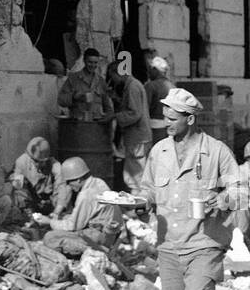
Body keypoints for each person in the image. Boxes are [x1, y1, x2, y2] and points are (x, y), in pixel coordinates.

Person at [137, 87, 245, 290]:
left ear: (190, 118)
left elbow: (239, 189)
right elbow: (147, 189)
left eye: (172, 118)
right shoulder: (159, 151)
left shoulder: (217, 152)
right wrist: (140, 203)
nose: (166, 123)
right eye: (165, 117)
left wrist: (220, 200)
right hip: (168, 246)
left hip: (204, 244)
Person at [35, 156, 120, 255]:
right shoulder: (98, 182)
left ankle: (97, 252)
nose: (68, 185)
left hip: (101, 236)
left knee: (50, 238)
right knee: (64, 217)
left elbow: (73, 225)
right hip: (110, 232)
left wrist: (49, 222)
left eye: (69, 181)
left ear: (78, 180)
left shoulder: (86, 195)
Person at [108, 64, 151, 193]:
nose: (113, 81)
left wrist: (115, 116)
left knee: (135, 177)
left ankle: (138, 206)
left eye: (112, 76)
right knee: (137, 175)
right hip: (139, 137)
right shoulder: (132, 85)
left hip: (137, 138)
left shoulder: (132, 86)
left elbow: (134, 113)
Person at [9, 137, 64, 220]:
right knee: (18, 187)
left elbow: (62, 187)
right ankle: (28, 215)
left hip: (49, 203)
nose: (36, 163)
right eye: (34, 160)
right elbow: (17, 187)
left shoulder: (55, 165)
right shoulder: (21, 162)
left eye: (40, 161)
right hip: (31, 201)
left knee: (66, 189)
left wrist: (57, 212)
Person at [58, 48, 113, 121]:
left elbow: (107, 107)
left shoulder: (101, 81)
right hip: (77, 124)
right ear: (84, 61)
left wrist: (108, 118)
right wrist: (73, 96)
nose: (93, 65)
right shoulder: (73, 78)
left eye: (95, 62)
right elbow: (61, 100)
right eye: (90, 62)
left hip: (96, 125)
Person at [144, 56, 172, 140]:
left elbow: (144, 109)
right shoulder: (172, 86)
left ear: (155, 70)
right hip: (169, 128)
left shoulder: (151, 86)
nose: (148, 72)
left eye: (150, 69)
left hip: (154, 128)